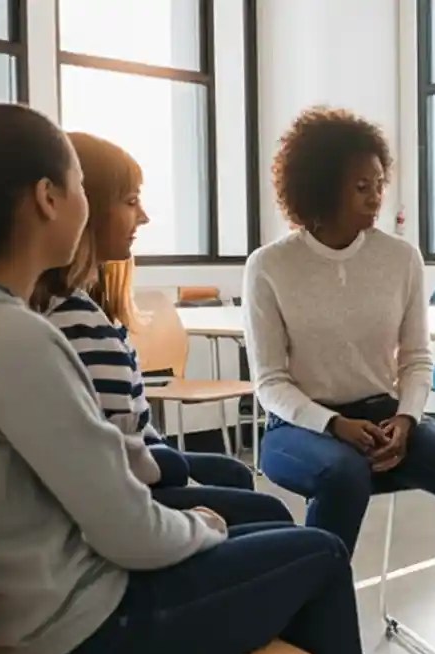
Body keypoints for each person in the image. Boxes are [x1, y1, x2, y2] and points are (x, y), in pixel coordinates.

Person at [0, 103, 370, 654]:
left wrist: (203, 530)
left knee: (280, 540)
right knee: (321, 556)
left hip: (29, 633)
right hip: (81, 639)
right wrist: (206, 527)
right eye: (81, 185)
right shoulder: (12, 339)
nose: (86, 202)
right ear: (48, 198)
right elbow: (130, 532)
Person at [245, 106, 435, 654]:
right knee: (343, 473)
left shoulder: (400, 259)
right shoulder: (271, 266)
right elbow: (270, 382)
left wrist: (408, 418)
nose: (375, 198)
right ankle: (306, 633)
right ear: (320, 189)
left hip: (386, 417)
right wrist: (334, 424)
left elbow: (416, 359)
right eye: (360, 186)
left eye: (378, 183)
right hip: (298, 426)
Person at [29, 131, 288, 526]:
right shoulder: (77, 323)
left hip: (125, 478)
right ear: (84, 206)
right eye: (131, 201)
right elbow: (121, 462)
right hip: (120, 504)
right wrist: (190, 502)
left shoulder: (70, 309)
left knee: (231, 474)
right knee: (278, 519)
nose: (145, 217)